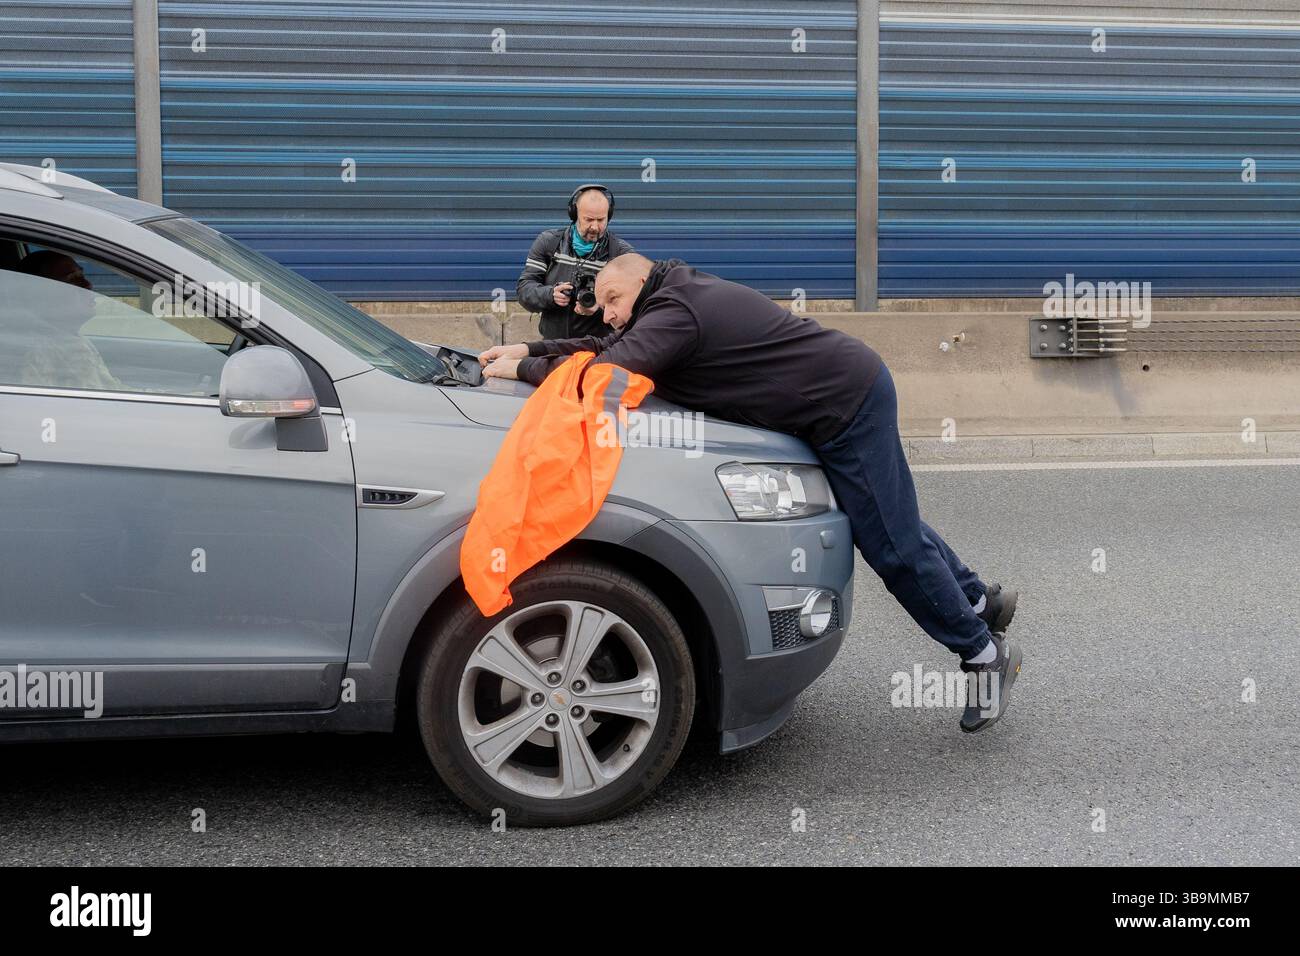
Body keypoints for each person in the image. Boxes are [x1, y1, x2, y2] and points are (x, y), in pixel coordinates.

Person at [480, 254, 1023, 733]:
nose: (608, 314)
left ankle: (983, 655)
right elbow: (605, 345)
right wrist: (530, 346)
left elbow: (608, 371)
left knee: (891, 545)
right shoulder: (669, 299)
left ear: (639, 282)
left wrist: (526, 368)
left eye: (613, 300)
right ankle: (979, 600)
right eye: (602, 305)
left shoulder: (675, 312)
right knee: (884, 516)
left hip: (844, 406)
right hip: (834, 398)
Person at [515, 184, 635, 339]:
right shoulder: (549, 243)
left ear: (609, 216)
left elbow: (635, 304)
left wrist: (600, 308)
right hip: (551, 346)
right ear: (574, 214)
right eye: (588, 219)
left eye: (601, 220)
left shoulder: (621, 254)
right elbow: (524, 290)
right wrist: (550, 295)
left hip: (600, 348)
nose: (595, 227)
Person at [7, 250, 122, 391]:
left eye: (82, 276)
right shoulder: (35, 352)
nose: (88, 285)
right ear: (41, 295)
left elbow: (111, 389)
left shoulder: (69, 338)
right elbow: (36, 402)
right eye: (73, 279)